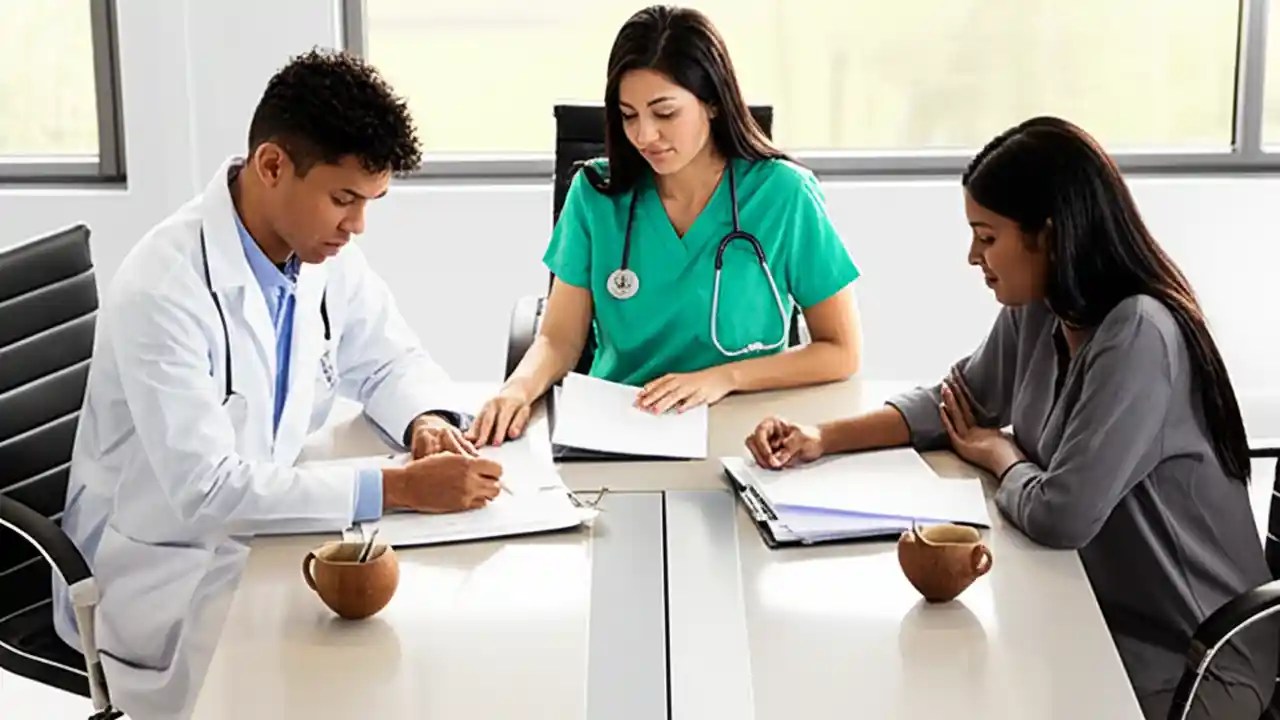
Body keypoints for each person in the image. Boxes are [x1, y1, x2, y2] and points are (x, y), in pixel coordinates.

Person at [745, 117, 1277, 718]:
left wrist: (1001, 455)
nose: (973, 256)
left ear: (1047, 236)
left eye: (987, 236)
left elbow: (1060, 514)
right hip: (1089, 613)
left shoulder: (1139, 335)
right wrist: (820, 438)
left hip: (1192, 659)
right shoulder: (1044, 308)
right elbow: (958, 401)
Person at [51, 49, 502, 719]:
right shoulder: (164, 289)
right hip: (165, 573)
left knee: (407, 658)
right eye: (343, 199)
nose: (357, 226)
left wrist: (424, 422)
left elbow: (385, 358)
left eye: (371, 202)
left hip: (263, 541)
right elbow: (206, 489)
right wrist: (397, 487)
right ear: (271, 166)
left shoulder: (315, 251)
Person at [469, 5, 863, 446]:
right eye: (628, 115)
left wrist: (723, 377)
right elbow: (560, 340)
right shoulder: (596, 194)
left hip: (742, 432)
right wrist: (515, 391)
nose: (644, 136)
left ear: (712, 102)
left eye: (665, 113)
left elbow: (841, 350)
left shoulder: (784, 195)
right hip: (616, 428)